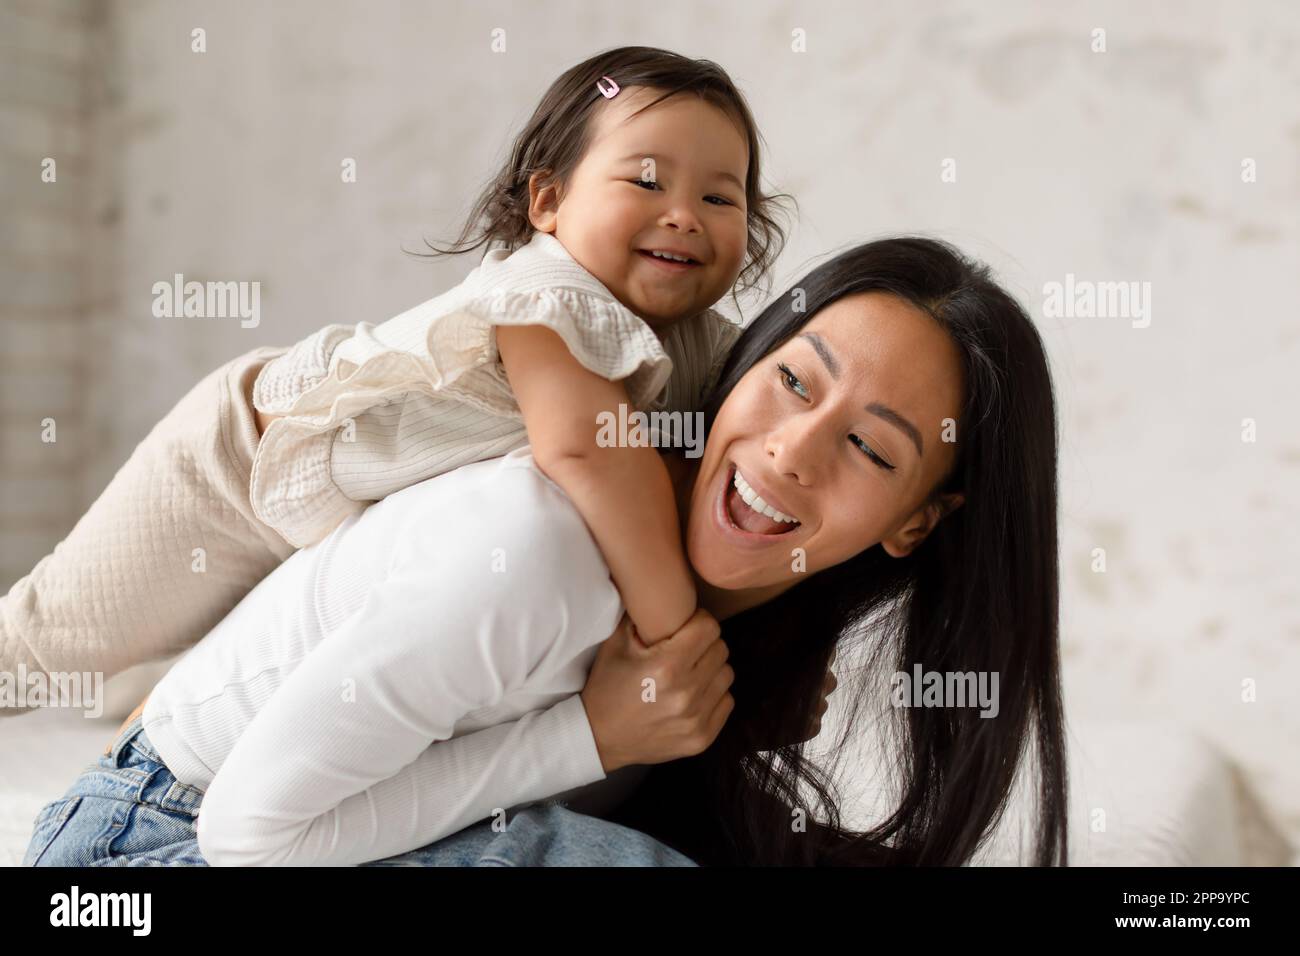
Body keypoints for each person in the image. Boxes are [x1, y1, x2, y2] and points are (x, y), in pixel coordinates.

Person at [24, 236, 1069, 867]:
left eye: (869, 447)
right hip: (145, 846)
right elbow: (251, 837)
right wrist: (589, 735)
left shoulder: (729, 655)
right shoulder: (534, 547)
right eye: (794, 381)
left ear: (915, 523)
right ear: (747, 361)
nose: (792, 451)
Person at [0, 45, 793, 705]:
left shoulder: (706, 344)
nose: (684, 215)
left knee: (253, 657)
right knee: (51, 646)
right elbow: (589, 454)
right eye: (646, 181)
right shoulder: (546, 295)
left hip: (342, 529)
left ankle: (168, 701)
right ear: (549, 203)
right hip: (233, 470)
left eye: (719, 198)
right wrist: (677, 634)